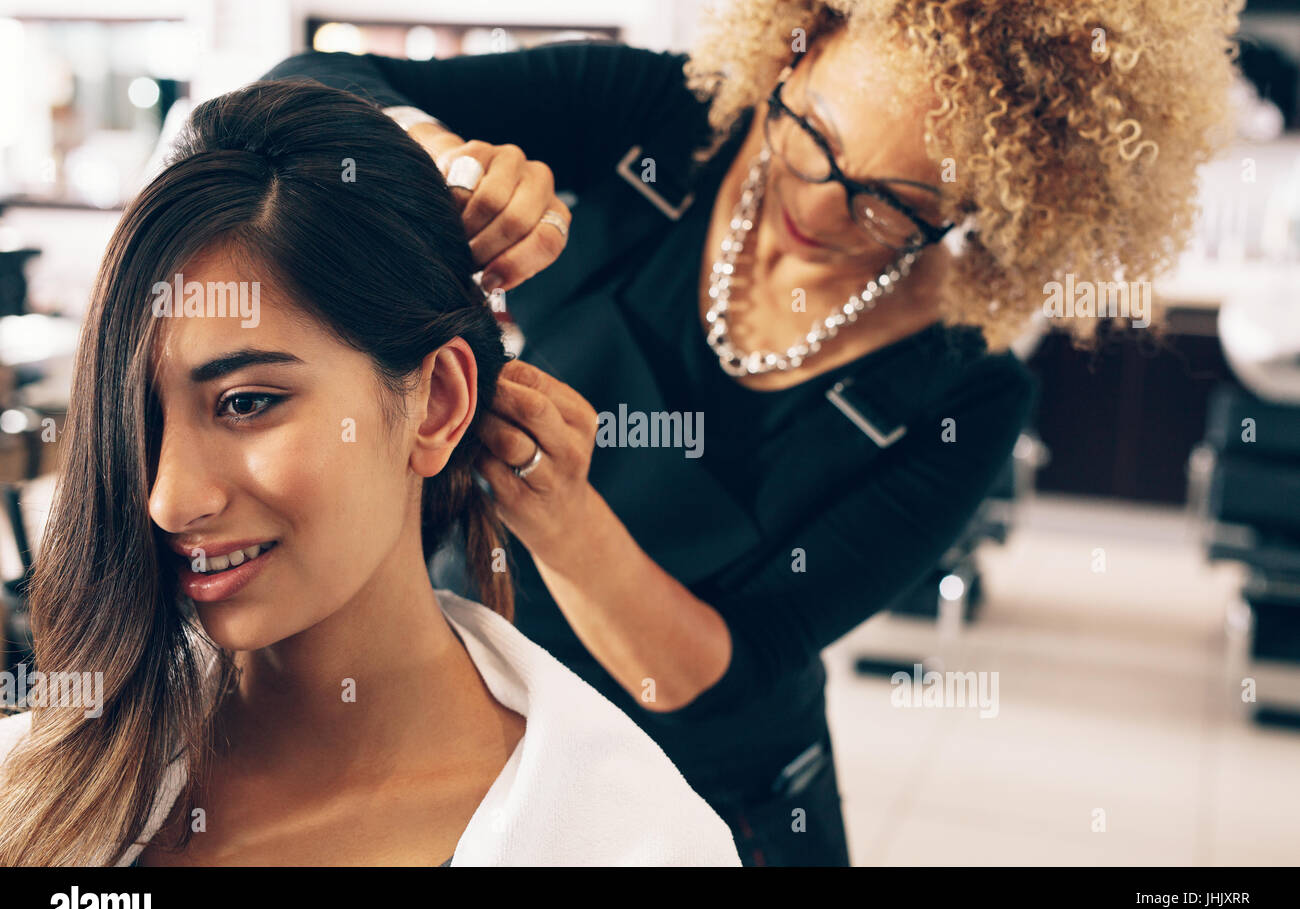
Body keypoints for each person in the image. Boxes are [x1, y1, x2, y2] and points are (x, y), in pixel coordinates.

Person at [264, 0, 1244, 864]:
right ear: (795, 47)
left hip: (724, 791)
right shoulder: (661, 120)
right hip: (484, 705)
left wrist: (558, 512)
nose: (815, 203)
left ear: (990, 206)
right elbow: (306, 83)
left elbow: (713, 669)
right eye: (811, 134)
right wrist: (445, 158)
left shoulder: (964, 395)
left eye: (893, 204)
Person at [0, 79, 742, 867]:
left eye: (246, 403)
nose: (170, 499)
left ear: (437, 403)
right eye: (142, 418)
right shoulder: (30, 782)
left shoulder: (635, 845)